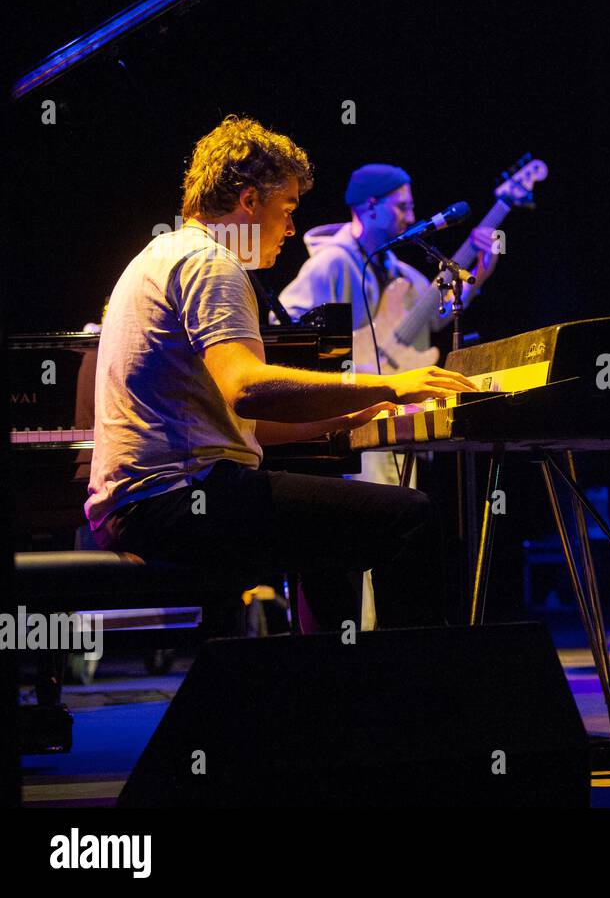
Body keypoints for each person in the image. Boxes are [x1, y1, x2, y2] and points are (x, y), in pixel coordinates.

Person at [85, 116, 478, 631]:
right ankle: (419, 693)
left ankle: (323, 691)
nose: (292, 229)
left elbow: (238, 421)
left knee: (334, 535)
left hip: (143, 503)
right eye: (287, 208)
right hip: (176, 502)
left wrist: (343, 417)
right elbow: (247, 390)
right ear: (249, 201)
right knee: (412, 516)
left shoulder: (159, 254)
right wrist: (390, 384)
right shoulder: (211, 263)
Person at [278, 164, 498, 485]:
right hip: (355, 416)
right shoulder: (332, 262)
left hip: (395, 415)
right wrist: (348, 370)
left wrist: (482, 271)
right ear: (370, 206)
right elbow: (286, 325)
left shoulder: (398, 271)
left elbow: (438, 315)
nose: (410, 218)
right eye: (402, 207)